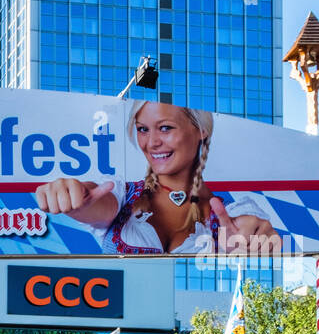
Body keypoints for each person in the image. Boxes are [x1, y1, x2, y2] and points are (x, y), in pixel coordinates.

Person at [35, 101, 280, 256]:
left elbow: (259, 240)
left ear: (201, 131)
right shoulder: (123, 197)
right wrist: (76, 196)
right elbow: (97, 204)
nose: (152, 142)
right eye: (143, 129)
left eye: (165, 128)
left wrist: (260, 242)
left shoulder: (232, 214)